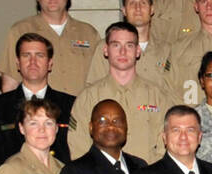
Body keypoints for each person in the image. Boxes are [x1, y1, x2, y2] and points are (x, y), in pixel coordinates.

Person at [68, 21, 165, 163]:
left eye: (129, 45)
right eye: (116, 45)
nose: (123, 52)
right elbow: (78, 145)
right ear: (106, 50)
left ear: (138, 51)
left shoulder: (157, 96)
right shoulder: (89, 97)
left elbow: (165, 143)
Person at [0, 33, 72, 174]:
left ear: (50, 63)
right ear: (17, 63)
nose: (33, 62)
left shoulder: (69, 104)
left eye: (40, 56)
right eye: (26, 55)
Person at [0, 0, 99, 95]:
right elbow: (10, 84)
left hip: (80, 112)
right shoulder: (20, 31)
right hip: (39, 113)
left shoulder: (89, 33)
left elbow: (100, 82)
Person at [84, 0, 171, 91]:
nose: (138, 8)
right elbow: (93, 89)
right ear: (124, 10)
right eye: (132, 3)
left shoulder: (166, 50)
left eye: (143, 3)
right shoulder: (106, 46)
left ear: (152, 9)